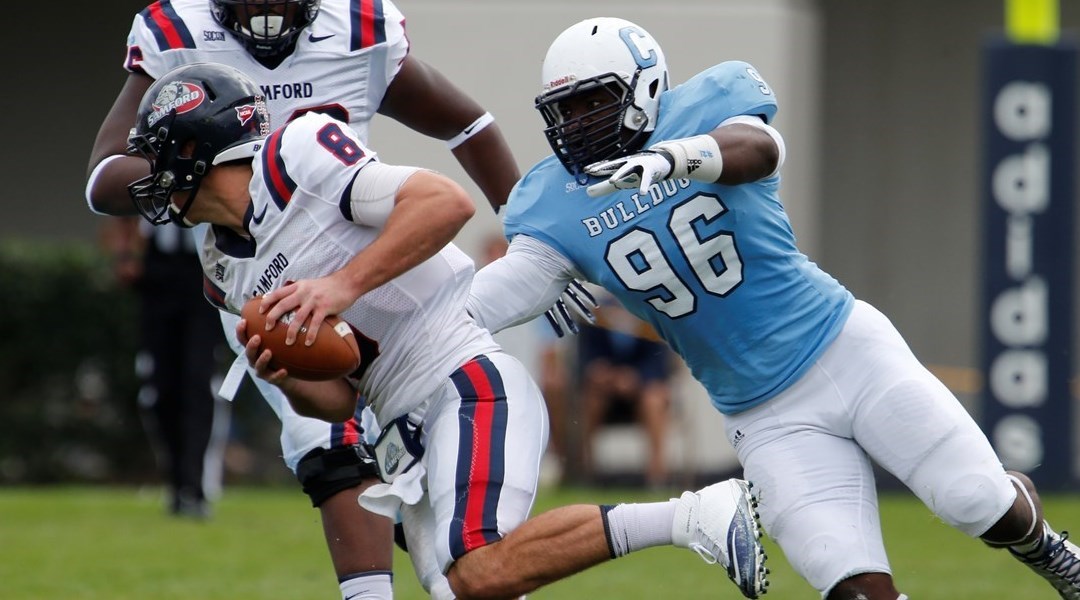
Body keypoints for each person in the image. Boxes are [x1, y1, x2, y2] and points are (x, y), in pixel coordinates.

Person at [462, 16, 1080, 600]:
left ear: (645, 88)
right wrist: (409, 331)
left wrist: (674, 158)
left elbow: (759, 148)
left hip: (844, 350)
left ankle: (1046, 548)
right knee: (851, 585)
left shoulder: (708, 110)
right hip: (762, 414)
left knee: (978, 500)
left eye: (592, 101)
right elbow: (491, 297)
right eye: (563, 109)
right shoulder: (556, 200)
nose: (577, 122)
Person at [120, 62, 769, 600]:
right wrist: (285, 376)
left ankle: (694, 515)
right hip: (398, 421)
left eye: (156, 156)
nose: (145, 178)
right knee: (467, 589)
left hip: (463, 372)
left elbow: (443, 202)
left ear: (193, 147)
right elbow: (341, 396)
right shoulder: (217, 266)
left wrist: (340, 286)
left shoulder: (297, 152)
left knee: (480, 569)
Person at [83, 1, 577, 597]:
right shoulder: (180, 35)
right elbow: (106, 177)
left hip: (361, 249)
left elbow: (463, 133)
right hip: (261, 266)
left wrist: (532, 239)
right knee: (333, 445)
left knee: (444, 405)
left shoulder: (337, 71)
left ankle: (676, 520)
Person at [100, 216, 230, 519]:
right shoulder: (144, 167)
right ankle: (176, 483)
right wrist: (124, 255)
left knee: (198, 383)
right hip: (157, 273)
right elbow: (120, 208)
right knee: (160, 389)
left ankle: (195, 488)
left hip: (203, 270)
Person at [578, 292, 674, 488]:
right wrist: (605, 374)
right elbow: (586, 359)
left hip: (642, 391)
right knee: (590, 397)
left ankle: (656, 475)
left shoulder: (651, 311)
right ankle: (586, 472)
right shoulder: (595, 312)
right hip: (605, 392)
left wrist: (635, 377)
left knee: (655, 398)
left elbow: (659, 361)